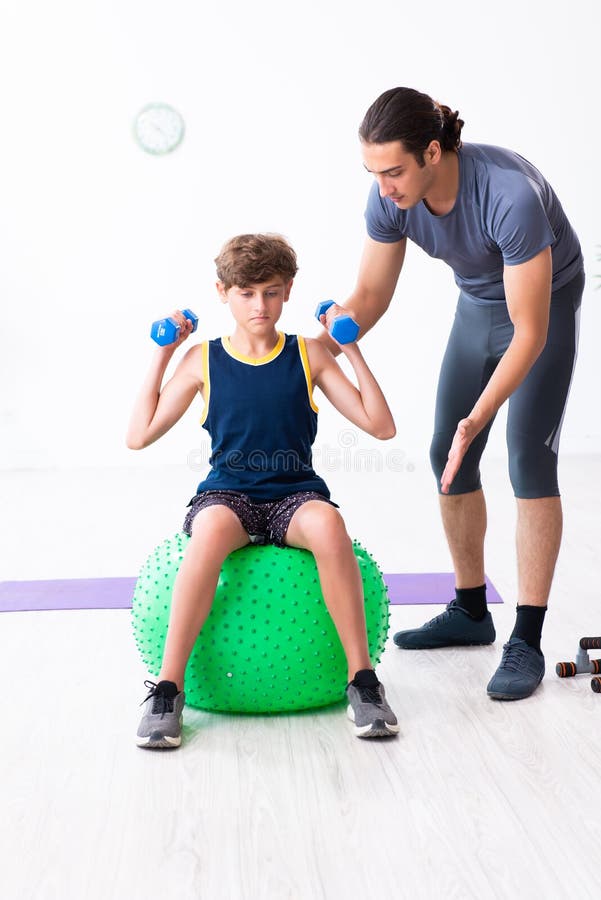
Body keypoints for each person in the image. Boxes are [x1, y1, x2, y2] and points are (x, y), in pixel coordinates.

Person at [317, 87, 584, 701]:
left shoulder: (509, 196)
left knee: (527, 456)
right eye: (372, 173)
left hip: (543, 307)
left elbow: (530, 332)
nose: (383, 187)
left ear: (433, 153)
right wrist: (308, 356)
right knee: (448, 452)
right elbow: (369, 297)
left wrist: (479, 416)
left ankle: (527, 637)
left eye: (393, 171)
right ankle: (470, 610)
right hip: (478, 305)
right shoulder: (391, 198)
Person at [126, 233, 400, 748]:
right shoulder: (202, 360)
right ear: (223, 293)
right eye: (247, 293)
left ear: (288, 291)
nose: (260, 305)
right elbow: (138, 435)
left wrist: (350, 346)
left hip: (294, 495)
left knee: (330, 524)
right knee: (209, 531)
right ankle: (167, 690)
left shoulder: (310, 353)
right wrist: (164, 355)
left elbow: (381, 426)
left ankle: (363, 682)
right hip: (228, 496)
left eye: (272, 292)